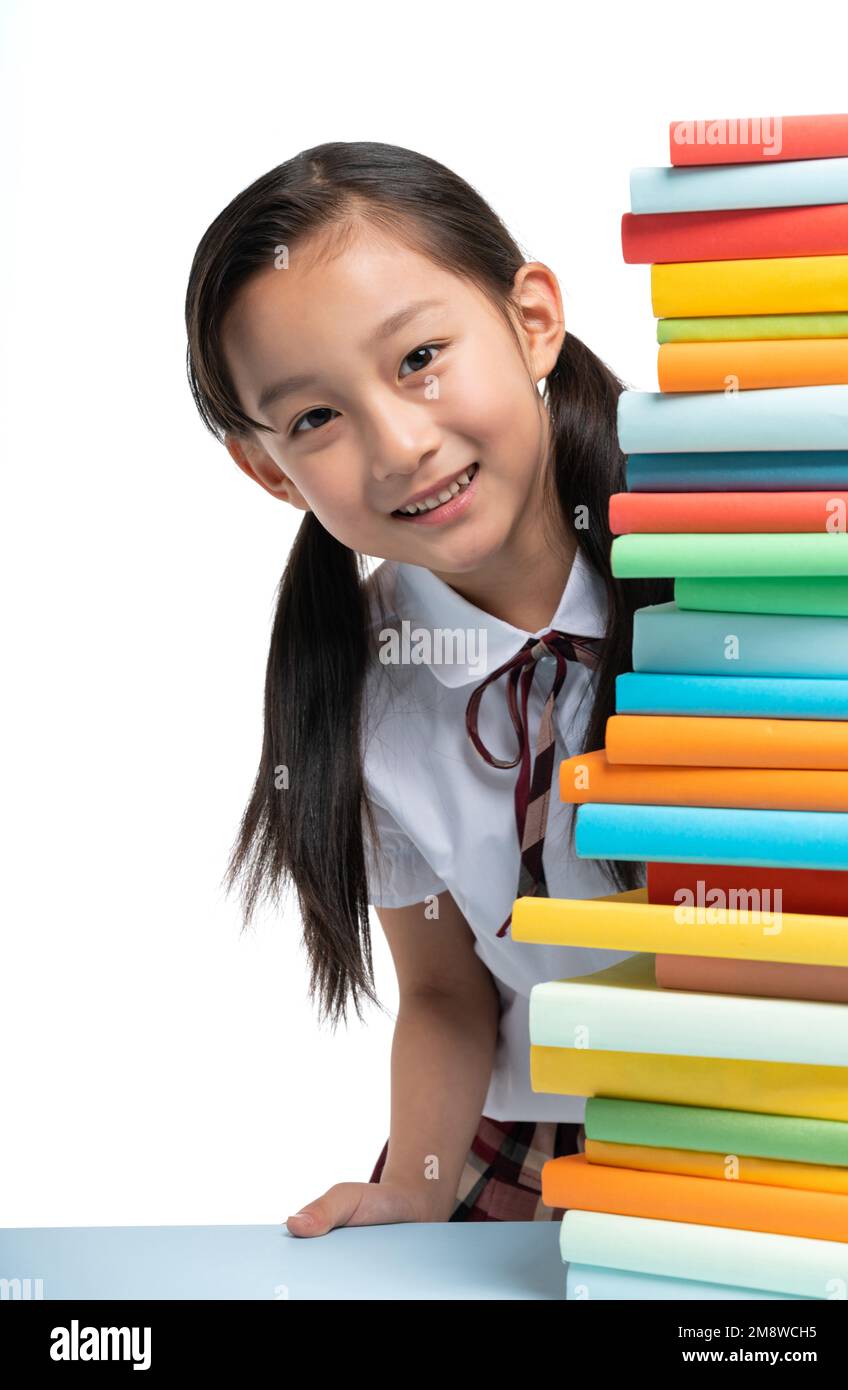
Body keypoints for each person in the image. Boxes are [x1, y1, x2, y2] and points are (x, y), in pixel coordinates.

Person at [184, 140, 671, 1235]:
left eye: (419, 357)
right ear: (269, 472)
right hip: (540, 1143)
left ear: (533, 318)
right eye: (314, 418)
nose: (400, 443)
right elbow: (449, 992)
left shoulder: (728, 568)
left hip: (790, 1110)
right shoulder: (363, 688)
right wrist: (419, 1179)